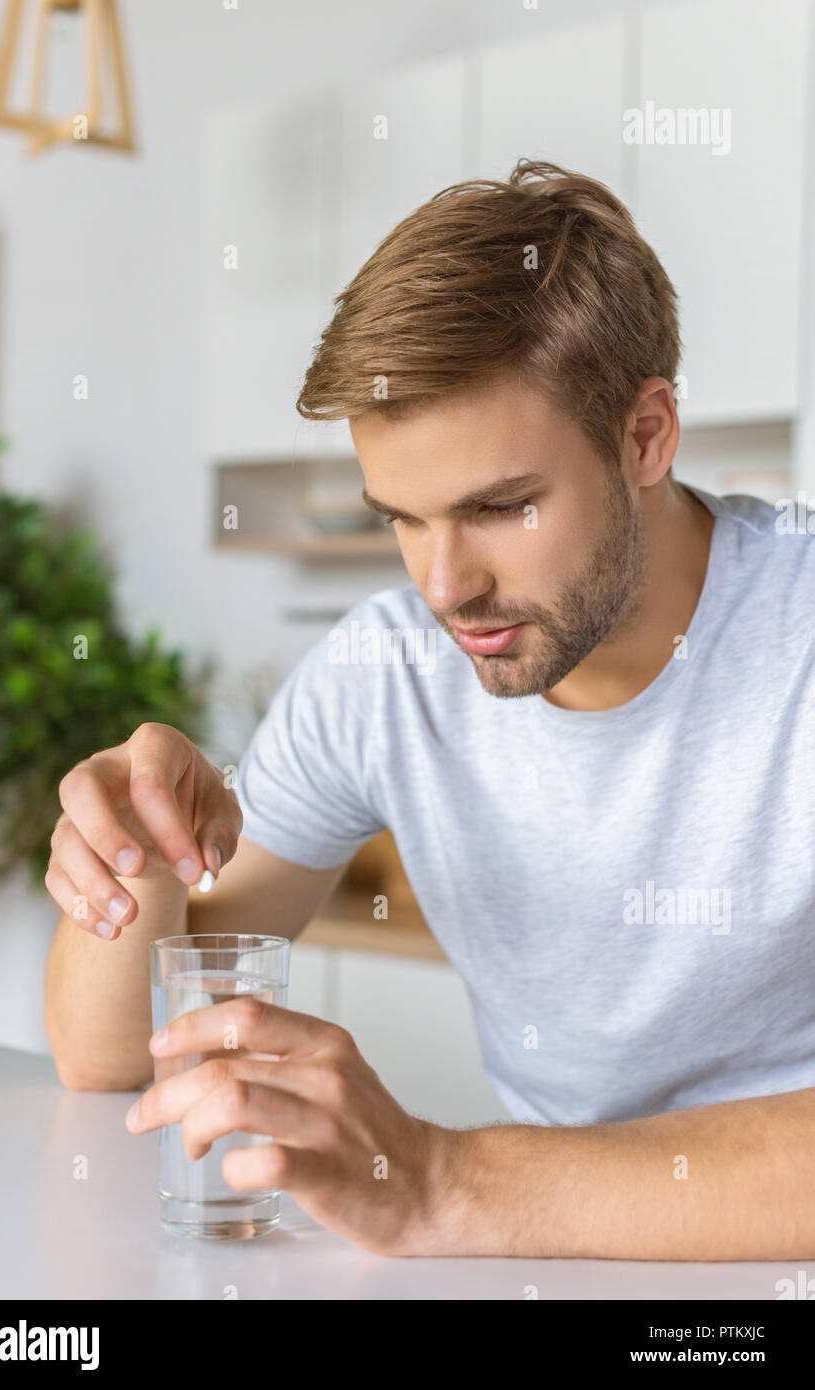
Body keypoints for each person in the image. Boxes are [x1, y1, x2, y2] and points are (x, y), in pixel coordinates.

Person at [44, 160, 815, 1260]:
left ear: (647, 436)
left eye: (501, 506)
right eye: (400, 518)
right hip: (557, 1271)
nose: (443, 585)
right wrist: (136, 853)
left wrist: (450, 1182)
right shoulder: (385, 674)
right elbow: (109, 1055)